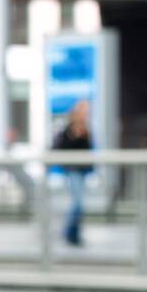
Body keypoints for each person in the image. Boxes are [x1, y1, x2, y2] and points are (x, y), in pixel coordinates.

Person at [53, 100, 93, 246]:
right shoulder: (69, 130)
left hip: (82, 171)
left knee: (78, 203)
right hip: (73, 171)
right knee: (77, 203)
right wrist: (75, 136)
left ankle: (74, 234)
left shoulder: (86, 130)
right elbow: (63, 148)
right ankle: (69, 233)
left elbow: (88, 151)